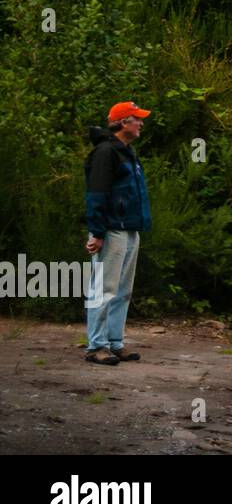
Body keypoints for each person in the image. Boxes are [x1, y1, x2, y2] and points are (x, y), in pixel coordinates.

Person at [83, 101, 153, 365]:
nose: (141, 123)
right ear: (124, 122)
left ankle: (114, 342)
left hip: (129, 229)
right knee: (103, 289)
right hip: (111, 231)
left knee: (122, 290)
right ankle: (96, 346)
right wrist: (97, 231)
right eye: (137, 118)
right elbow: (97, 194)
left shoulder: (127, 151)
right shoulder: (105, 152)